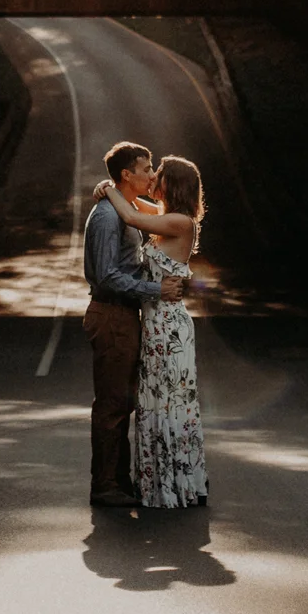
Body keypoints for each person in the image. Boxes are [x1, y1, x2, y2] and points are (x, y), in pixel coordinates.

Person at [92, 155, 209, 510]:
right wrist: (111, 188)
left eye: (159, 174)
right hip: (156, 324)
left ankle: (176, 484)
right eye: (150, 172)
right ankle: (164, 481)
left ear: (173, 184)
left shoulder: (180, 222)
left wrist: (109, 189)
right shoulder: (165, 215)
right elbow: (133, 205)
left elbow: (130, 216)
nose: (153, 178)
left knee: (169, 403)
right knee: (156, 401)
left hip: (169, 327)